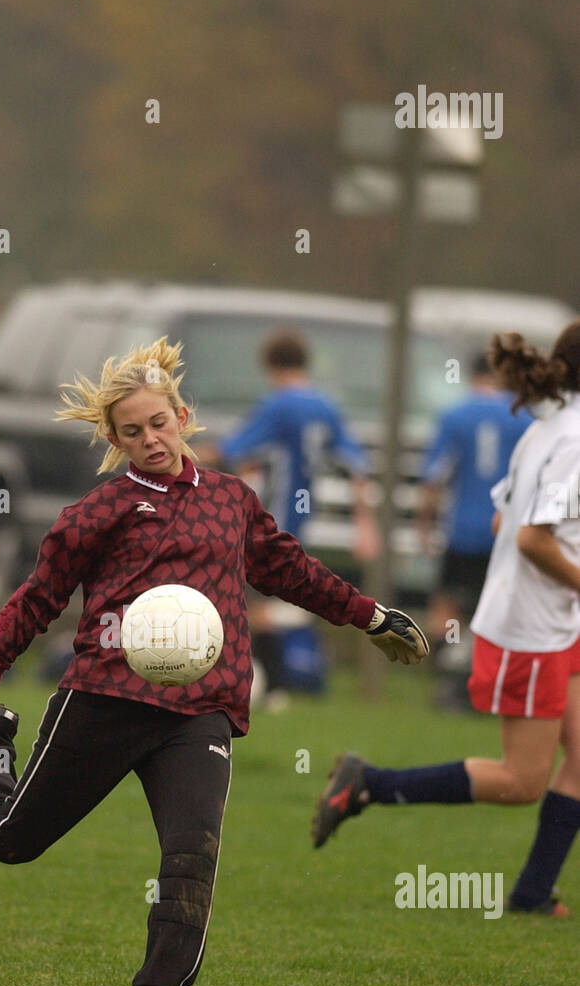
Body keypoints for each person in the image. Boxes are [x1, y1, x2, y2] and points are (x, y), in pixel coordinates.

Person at [0, 337, 428, 986]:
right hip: (104, 697)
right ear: (115, 441)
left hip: (199, 710)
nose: (150, 439)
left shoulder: (232, 502)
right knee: (9, 841)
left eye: (159, 423)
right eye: (132, 432)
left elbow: (292, 571)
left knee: (191, 854)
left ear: (183, 415)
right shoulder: (98, 511)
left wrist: (371, 616)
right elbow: (37, 600)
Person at [312, 321, 580, 919]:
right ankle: (367, 786)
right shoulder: (572, 437)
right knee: (521, 780)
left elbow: (501, 524)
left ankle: (533, 893)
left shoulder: (550, 429)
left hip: (557, 620)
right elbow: (533, 538)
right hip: (530, 630)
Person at [217, 329, 380, 703]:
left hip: (270, 517)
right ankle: (274, 681)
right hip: (300, 519)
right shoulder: (326, 407)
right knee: (267, 598)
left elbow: (232, 449)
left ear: (271, 366)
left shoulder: (279, 405)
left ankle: (271, 686)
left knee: (252, 600)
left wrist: (180, 454)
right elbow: (358, 467)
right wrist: (365, 525)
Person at [419, 352, 533, 709]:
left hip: (462, 532)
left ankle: (450, 680)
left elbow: (434, 478)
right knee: (500, 608)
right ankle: (493, 684)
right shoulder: (522, 417)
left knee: (448, 609)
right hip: (507, 532)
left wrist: (425, 525)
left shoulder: (455, 415)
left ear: (472, 375)